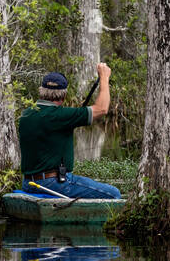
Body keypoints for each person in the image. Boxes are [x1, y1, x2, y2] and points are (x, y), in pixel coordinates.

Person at [17, 63, 121, 199]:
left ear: (41, 91)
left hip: (28, 183)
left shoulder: (26, 115)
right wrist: (104, 77)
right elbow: (102, 109)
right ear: (64, 96)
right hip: (55, 183)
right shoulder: (60, 115)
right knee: (114, 193)